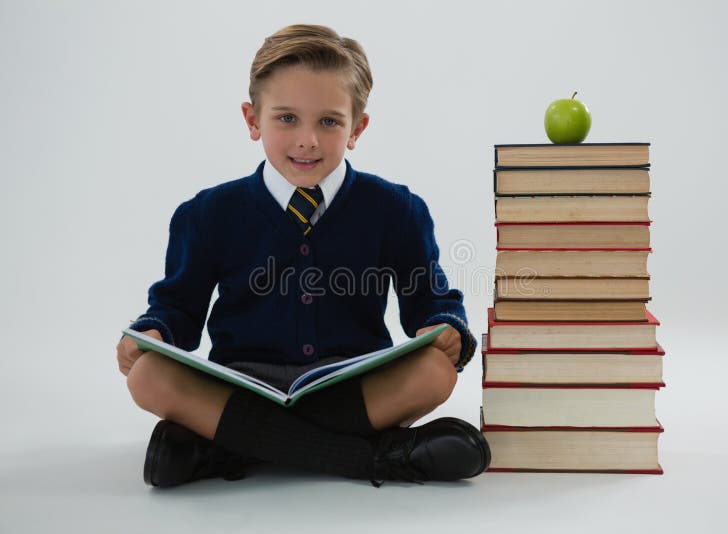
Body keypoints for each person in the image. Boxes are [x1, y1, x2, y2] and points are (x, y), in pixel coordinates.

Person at [116, 24, 488, 488]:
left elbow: (429, 301)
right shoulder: (207, 213)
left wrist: (445, 328)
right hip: (240, 386)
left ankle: (224, 449)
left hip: (353, 382)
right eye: (287, 118)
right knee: (148, 375)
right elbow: (178, 309)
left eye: (329, 121)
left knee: (434, 373)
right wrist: (152, 332)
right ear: (253, 120)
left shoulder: (396, 209)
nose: (308, 139)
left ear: (358, 128)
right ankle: (370, 457)